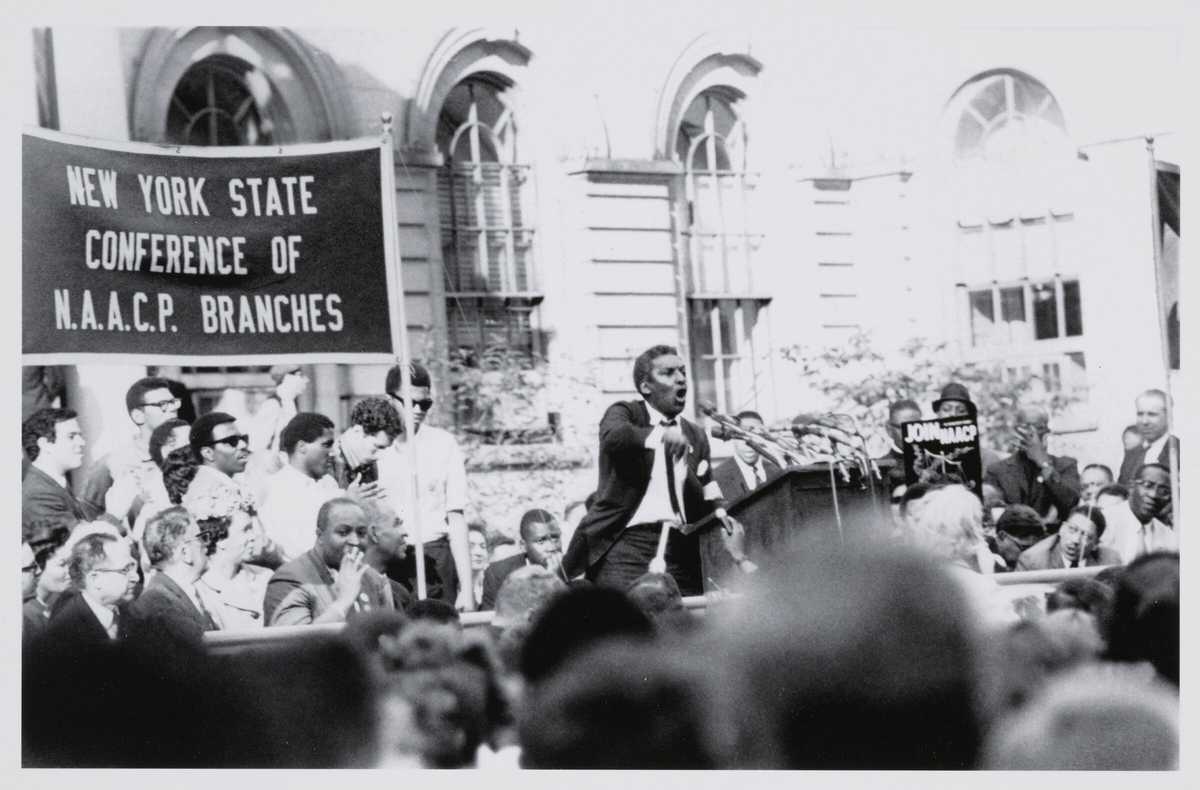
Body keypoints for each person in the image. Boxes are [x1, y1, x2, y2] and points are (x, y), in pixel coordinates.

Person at [563, 345, 734, 595]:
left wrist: (720, 510)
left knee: (685, 623)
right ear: (646, 387)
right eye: (669, 373)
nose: (681, 378)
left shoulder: (695, 435)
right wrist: (661, 435)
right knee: (628, 626)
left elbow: (709, 487)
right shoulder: (626, 413)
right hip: (625, 547)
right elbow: (614, 436)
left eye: (683, 372)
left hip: (680, 547)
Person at [377, 363, 473, 611]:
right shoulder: (374, 447)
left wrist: (467, 587)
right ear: (390, 399)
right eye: (411, 403)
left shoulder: (443, 444)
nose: (419, 410)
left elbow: (456, 516)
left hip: (436, 555)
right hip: (391, 558)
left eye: (426, 404)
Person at [263, 497, 396, 626]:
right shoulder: (290, 579)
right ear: (320, 536)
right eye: (343, 532)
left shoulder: (373, 579)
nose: (355, 541)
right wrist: (344, 601)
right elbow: (290, 645)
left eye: (361, 533)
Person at [79, 377, 181, 523]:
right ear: (138, 416)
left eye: (173, 402)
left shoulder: (189, 456)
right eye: (163, 404)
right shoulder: (111, 464)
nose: (172, 409)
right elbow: (89, 520)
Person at [126, 507, 221, 648]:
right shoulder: (158, 603)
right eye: (201, 538)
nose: (207, 545)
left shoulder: (181, 591)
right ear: (185, 552)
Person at [258, 412, 344, 560]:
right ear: (302, 447)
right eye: (326, 445)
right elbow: (296, 548)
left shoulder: (328, 482)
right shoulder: (277, 488)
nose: (333, 453)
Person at [984, 405, 1080, 528]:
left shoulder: (1066, 465)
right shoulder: (997, 471)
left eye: (1038, 428)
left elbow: (1070, 503)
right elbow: (995, 514)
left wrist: (1043, 463)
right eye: (1026, 427)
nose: (1032, 433)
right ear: (1015, 431)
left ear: (1046, 432)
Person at [39, 533, 138, 651]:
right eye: (125, 570)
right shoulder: (62, 636)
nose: (135, 577)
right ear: (95, 579)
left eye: (132, 567)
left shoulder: (132, 613)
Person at [22, 408, 96, 538]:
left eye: (80, 436)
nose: (82, 443)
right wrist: (114, 514)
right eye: (71, 437)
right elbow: (82, 549)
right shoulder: (39, 495)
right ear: (45, 444)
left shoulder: (52, 484)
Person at [196, 507, 272, 630]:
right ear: (221, 539)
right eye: (246, 529)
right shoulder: (199, 590)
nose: (253, 536)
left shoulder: (265, 577)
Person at [481, 508, 564, 610]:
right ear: (523, 545)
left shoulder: (573, 569)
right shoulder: (498, 574)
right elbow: (490, 620)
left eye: (555, 538)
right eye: (541, 541)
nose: (552, 547)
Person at [1098, 463, 1177, 563]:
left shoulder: (1169, 537)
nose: (1153, 495)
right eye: (1148, 485)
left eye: (1163, 491)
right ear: (1131, 486)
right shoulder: (1105, 521)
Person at [1015, 506, 1121, 570]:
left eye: (1086, 536)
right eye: (1072, 529)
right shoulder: (1032, 560)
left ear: (1095, 545)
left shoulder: (1110, 561)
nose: (1075, 540)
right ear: (1061, 529)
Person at [713, 410, 783, 501]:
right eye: (740, 435)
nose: (748, 443)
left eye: (754, 435)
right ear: (732, 437)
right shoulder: (716, 477)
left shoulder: (779, 472)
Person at [360, 497, 415, 612]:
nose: (405, 532)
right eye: (396, 524)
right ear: (374, 533)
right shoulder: (349, 592)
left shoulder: (400, 594)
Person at [1117, 389, 1180, 487]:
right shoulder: (1132, 455)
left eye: (1152, 414)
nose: (1144, 421)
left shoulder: (1179, 451)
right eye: (1140, 414)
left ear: (1168, 416)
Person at [23, 527, 73, 643]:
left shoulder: (65, 600)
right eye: (62, 565)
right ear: (38, 566)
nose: (70, 571)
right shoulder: (26, 617)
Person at [466, 522, 489, 606]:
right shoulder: (451, 590)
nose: (478, 553)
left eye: (483, 546)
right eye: (470, 546)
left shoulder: (491, 586)